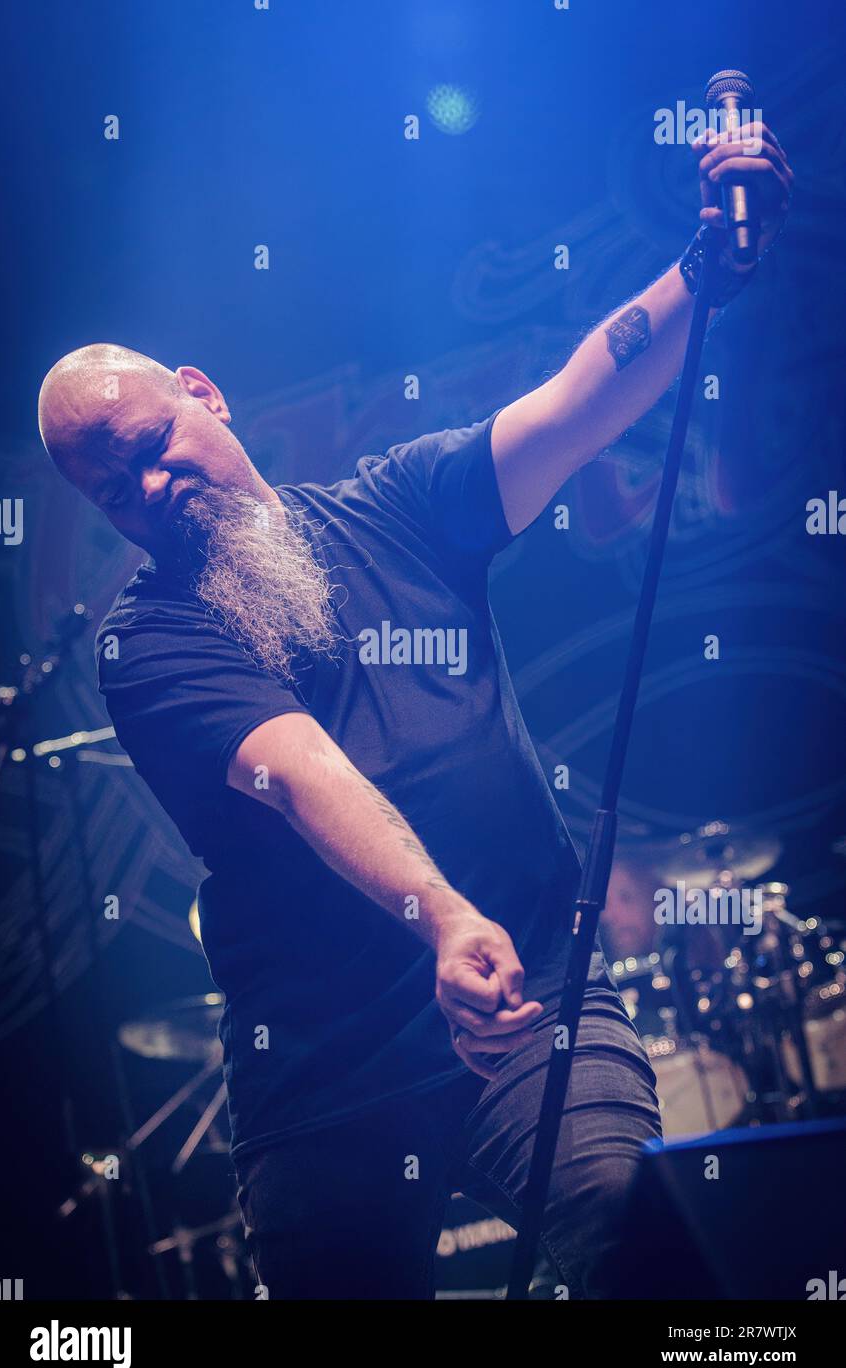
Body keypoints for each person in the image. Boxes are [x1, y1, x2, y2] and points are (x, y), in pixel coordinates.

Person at [38, 124, 791, 1298]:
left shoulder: (397, 500)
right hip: (324, 1074)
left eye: (150, 446)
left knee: (627, 1223)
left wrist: (702, 268)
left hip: (528, 995)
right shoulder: (148, 638)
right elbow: (301, 772)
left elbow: (572, 405)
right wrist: (439, 914)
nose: (147, 487)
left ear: (201, 393)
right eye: (111, 488)